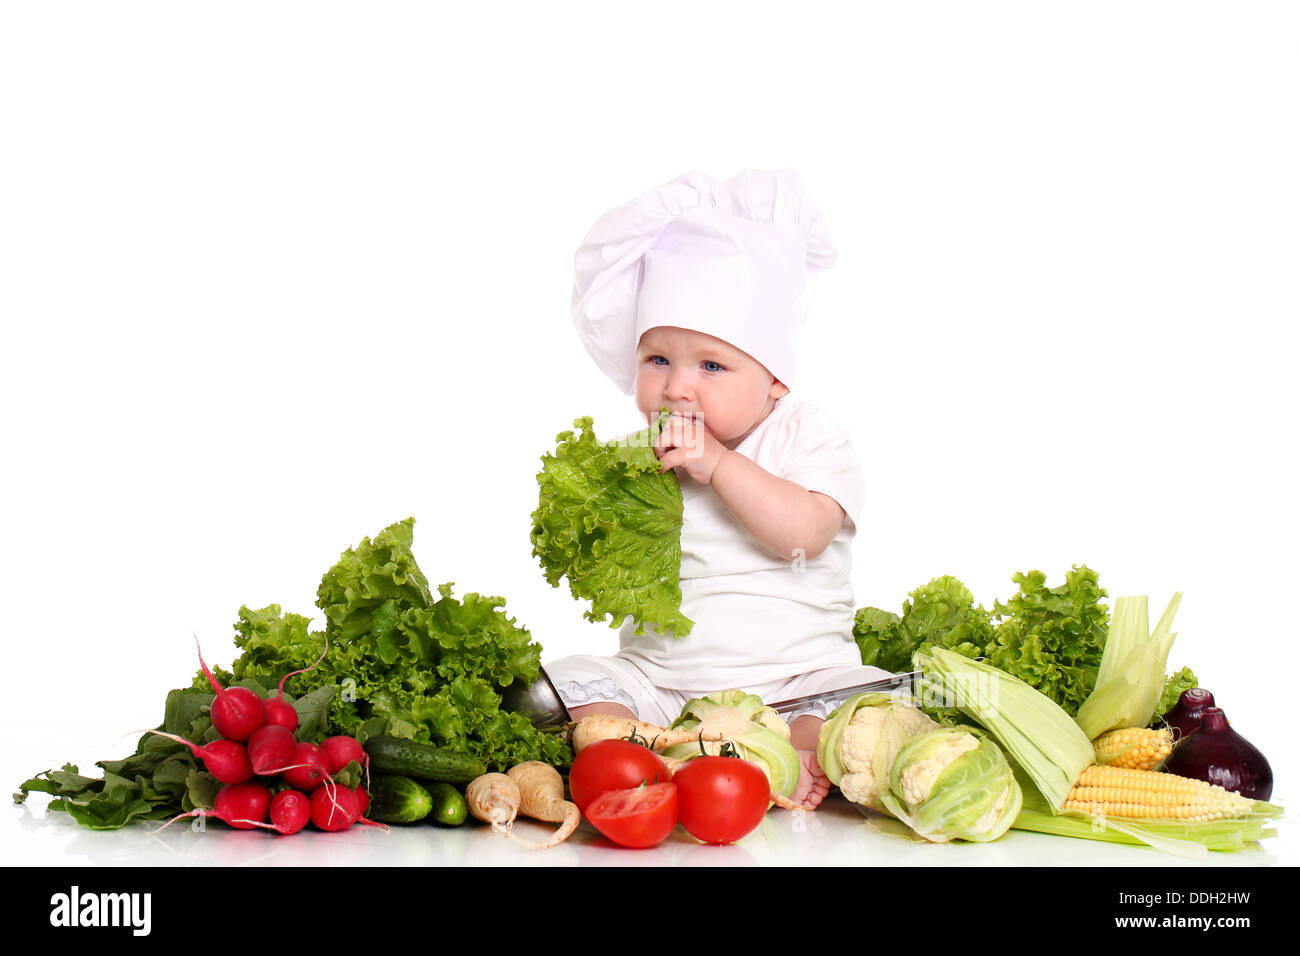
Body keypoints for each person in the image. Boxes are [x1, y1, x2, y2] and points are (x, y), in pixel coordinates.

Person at [545, 169, 892, 809]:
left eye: (711, 365)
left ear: (774, 381)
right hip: (661, 686)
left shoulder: (808, 438)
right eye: (658, 360)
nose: (678, 387)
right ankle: (641, 749)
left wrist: (719, 467)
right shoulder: (637, 460)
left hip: (798, 680)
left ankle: (802, 749)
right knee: (563, 686)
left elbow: (806, 533)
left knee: (863, 702)